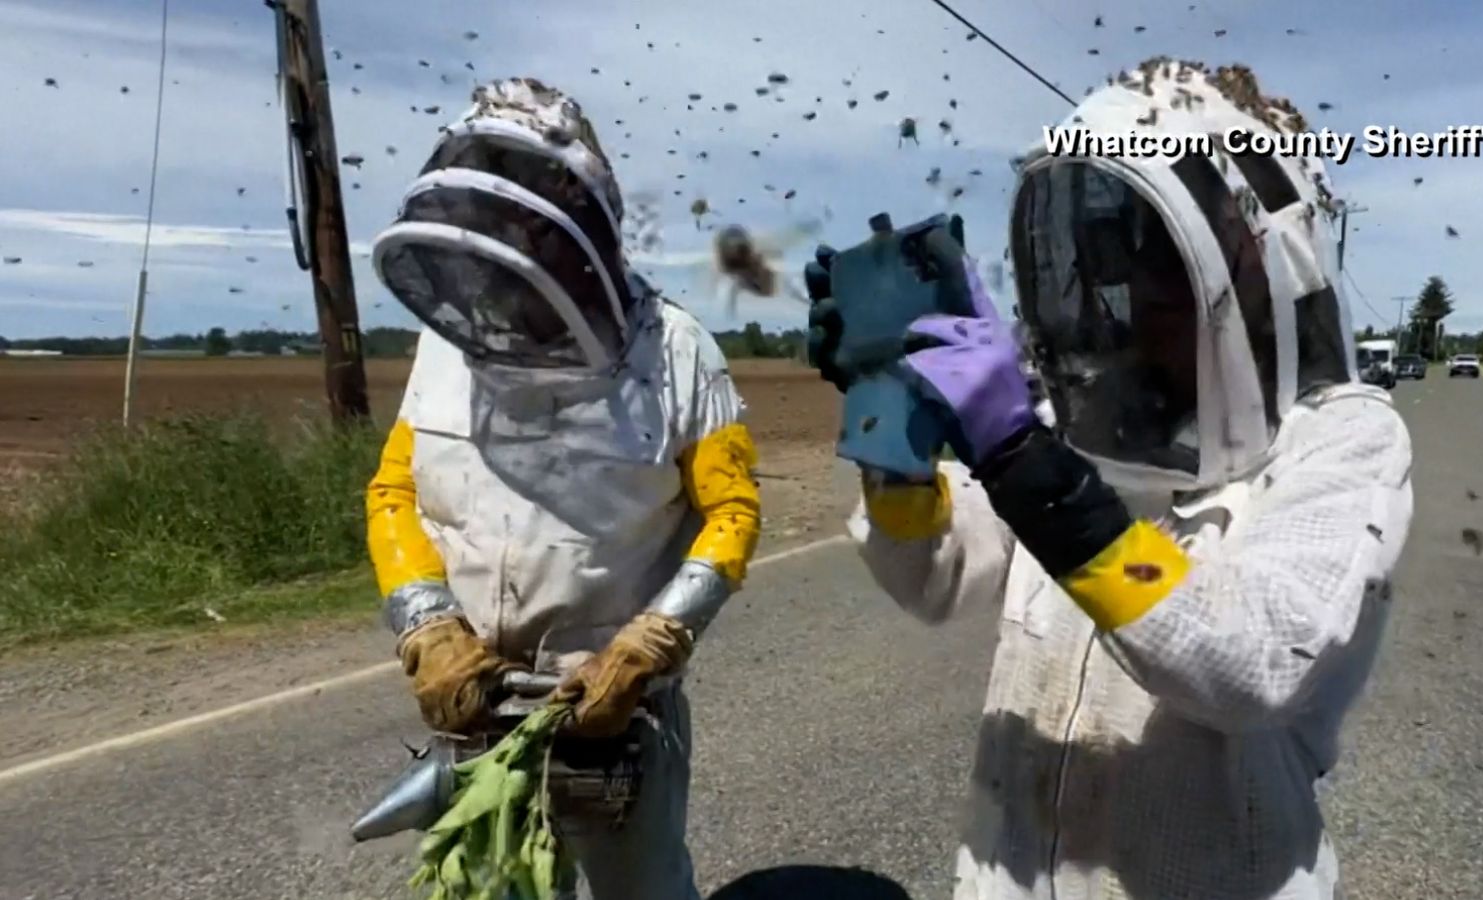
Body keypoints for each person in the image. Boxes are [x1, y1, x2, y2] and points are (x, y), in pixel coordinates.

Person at [810, 59, 1412, 899]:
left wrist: (1027, 466)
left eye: (1164, 259)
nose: (1135, 289)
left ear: (1257, 264)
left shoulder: (1343, 442)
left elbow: (1256, 657)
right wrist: (891, 435)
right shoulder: (1080, 426)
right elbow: (937, 580)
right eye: (1119, 254)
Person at [364, 77, 761, 900]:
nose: (507, 234)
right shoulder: (447, 346)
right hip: (475, 704)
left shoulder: (679, 351)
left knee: (642, 891)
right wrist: (427, 629)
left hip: (611, 707)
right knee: (492, 888)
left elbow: (733, 510)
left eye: (528, 212)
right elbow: (393, 492)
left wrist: (649, 645)